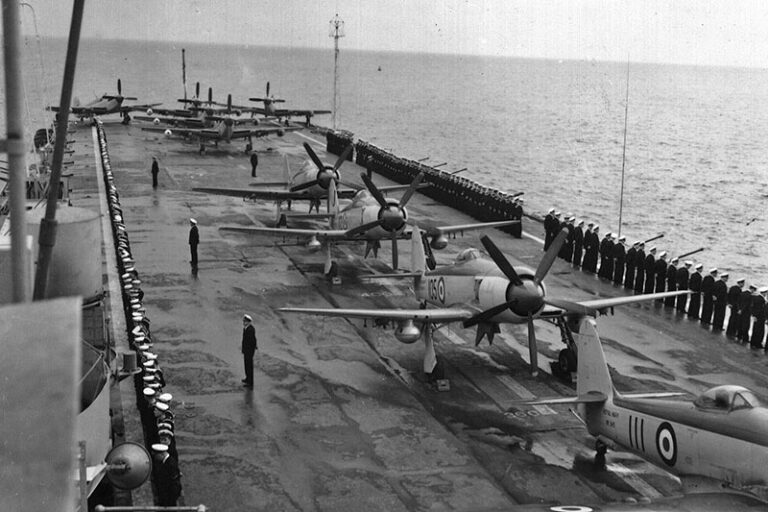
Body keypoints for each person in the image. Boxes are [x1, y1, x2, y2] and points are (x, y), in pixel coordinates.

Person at [241, 314, 257, 388]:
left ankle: (250, 382)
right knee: (246, 365)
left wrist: (251, 351)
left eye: (245, 321)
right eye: (243, 321)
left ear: (249, 322)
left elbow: (253, 341)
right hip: (246, 350)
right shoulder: (246, 328)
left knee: (249, 366)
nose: (244, 322)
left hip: (249, 351)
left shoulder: (251, 329)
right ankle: (247, 378)